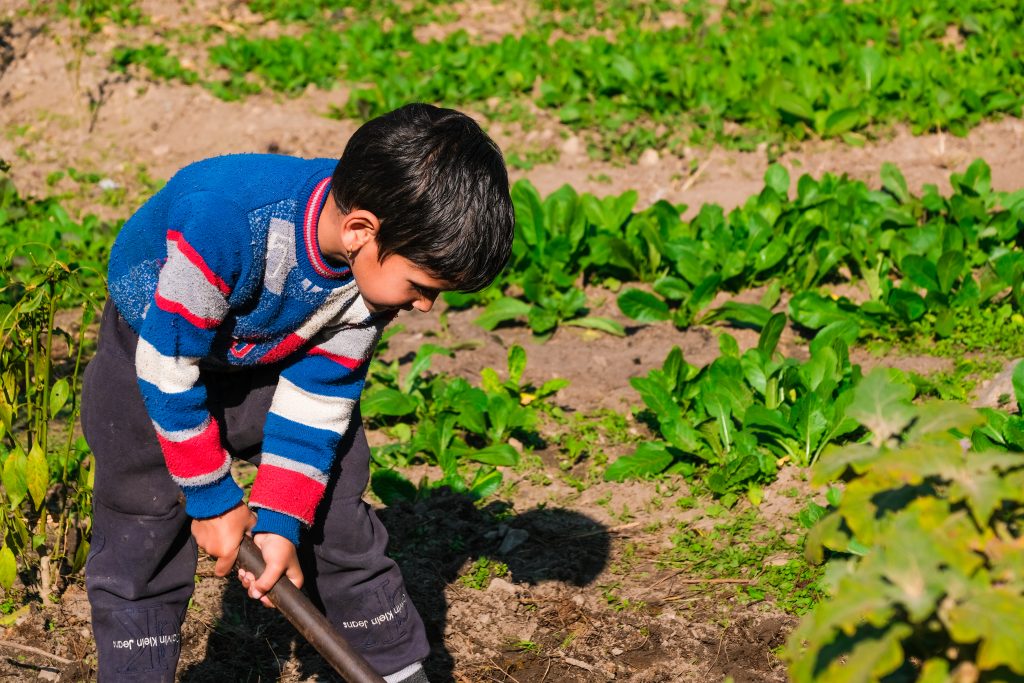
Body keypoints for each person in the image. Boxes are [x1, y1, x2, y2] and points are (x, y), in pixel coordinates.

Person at [81, 103, 515, 682]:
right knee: (144, 525)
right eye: (420, 285)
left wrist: (280, 521)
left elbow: (317, 401)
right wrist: (211, 499)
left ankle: (392, 668)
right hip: (155, 348)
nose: (425, 306)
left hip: (271, 352)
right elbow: (168, 364)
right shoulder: (227, 219)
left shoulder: (369, 279)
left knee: (333, 502)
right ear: (360, 230)